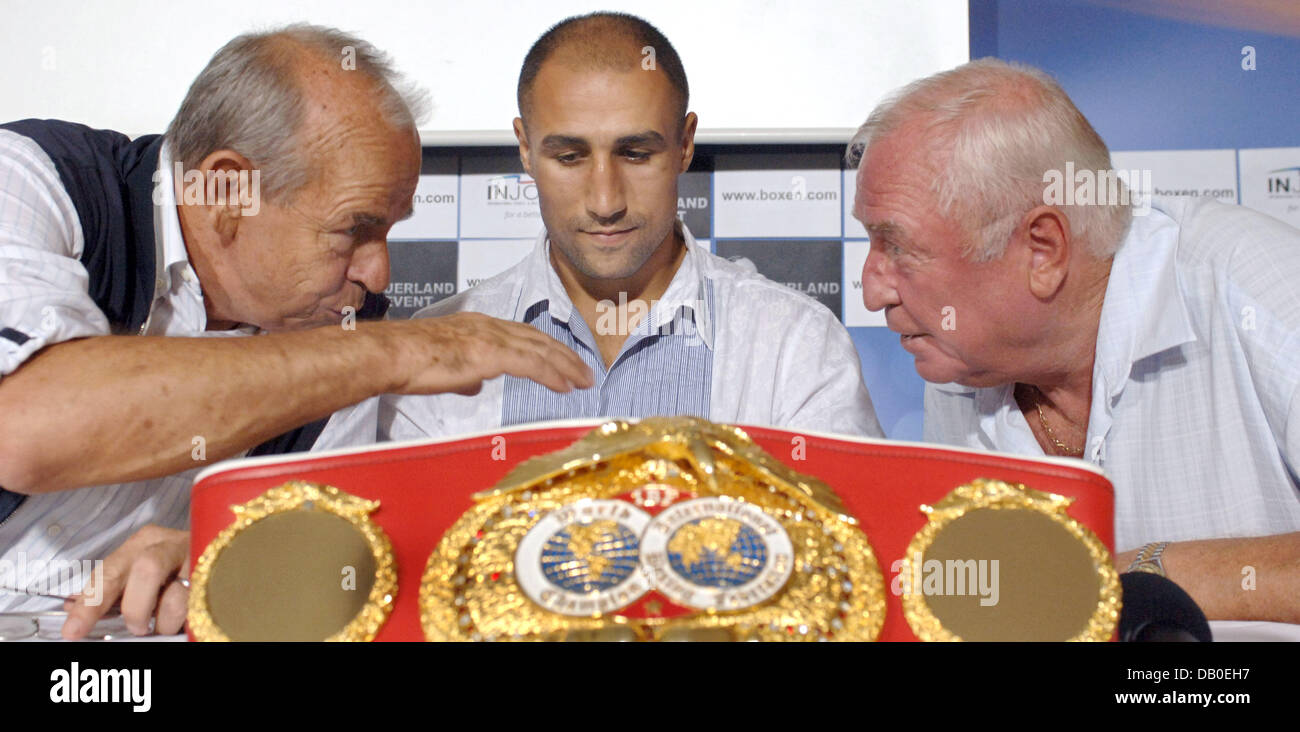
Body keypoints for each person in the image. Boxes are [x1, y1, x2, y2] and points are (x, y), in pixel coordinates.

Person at [0, 24, 592, 638]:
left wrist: (210, 557)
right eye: (352, 230)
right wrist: (387, 352)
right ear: (230, 188)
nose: (378, 271)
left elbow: (320, 574)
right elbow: (26, 428)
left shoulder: (353, 329)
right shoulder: (32, 178)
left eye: (388, 230)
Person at [851, 57, 1300, 622]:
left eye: (900, 249)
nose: (871, 292)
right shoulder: (962, 361)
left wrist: (1141, 580)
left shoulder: (1263, 290)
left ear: (1043, 250)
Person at [321, 11, 881, 447]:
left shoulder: (795, 345)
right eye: (569, 157)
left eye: (636, 153)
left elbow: (838, 571)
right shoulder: (436, 349)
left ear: (685, 144)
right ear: (524, 148)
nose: (606, 201)